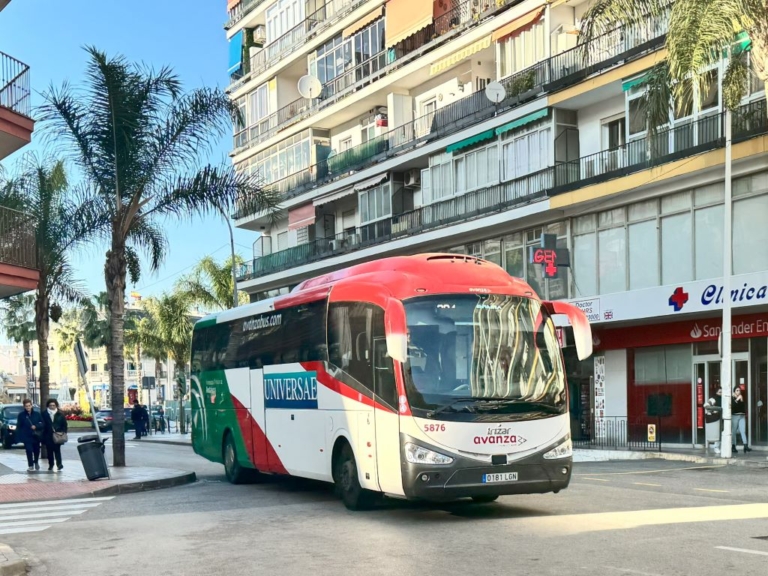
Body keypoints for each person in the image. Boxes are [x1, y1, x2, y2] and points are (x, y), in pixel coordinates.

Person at [16, 399, 43, 471]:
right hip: (27, 436)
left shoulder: (37, 414)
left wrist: (36, 426)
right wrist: (20, 436)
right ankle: (30, 465)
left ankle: (36, 461)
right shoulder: (21, 415)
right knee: (29, 450)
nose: (28, 407)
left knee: (36, 450)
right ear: (24, 407)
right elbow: (19, 426)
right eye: (26, 406)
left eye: (29, 406)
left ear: (31, 405)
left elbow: (42, 423)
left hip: (36, 436)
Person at [42, 399, 67, 472]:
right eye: (50, 405)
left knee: (57, 450)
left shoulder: (60, 414)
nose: (52, 407)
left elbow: (64, 425)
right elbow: (43, 424)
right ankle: (51, 465)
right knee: (49, 451)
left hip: (58, 435)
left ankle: (59, 464)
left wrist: (63, 432)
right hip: (48, 435)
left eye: (53, 405)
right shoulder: (44, 414)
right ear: (48, 406)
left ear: (56, 405)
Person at [731, 386, 751, 453]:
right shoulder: (732, 398)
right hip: (735, 416)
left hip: (742, 416)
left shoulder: (741, 397)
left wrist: (741, 400)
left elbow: (743, 407)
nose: (738, 392)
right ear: (734, 391)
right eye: (737, 390)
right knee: (733, 431)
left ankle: (745, 446)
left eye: (739, 390)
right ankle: (733, 446)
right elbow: (733, 407)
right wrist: (736, 400)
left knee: (743, 430)